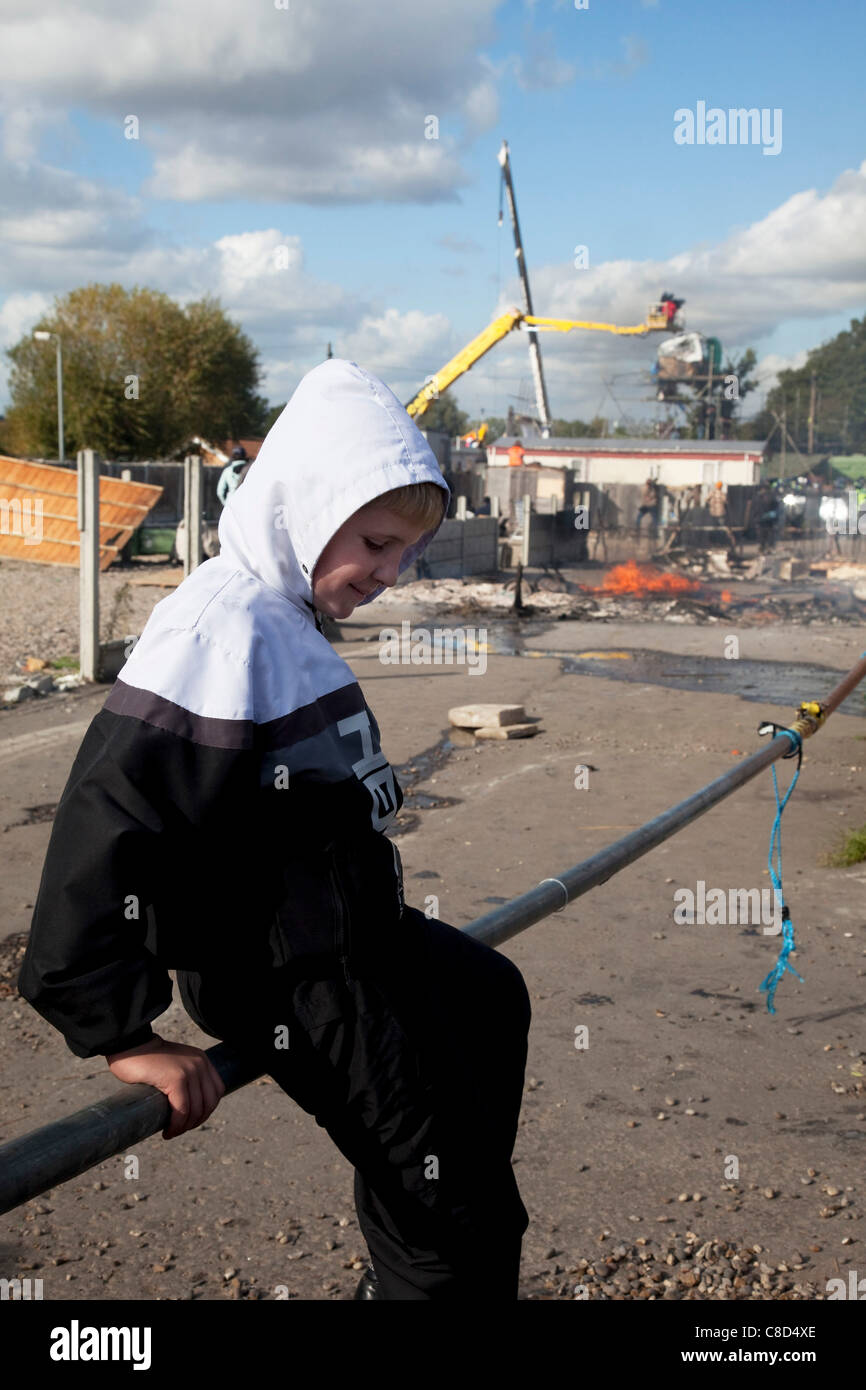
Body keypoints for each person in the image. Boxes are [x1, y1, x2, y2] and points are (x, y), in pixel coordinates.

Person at [17, 358, 531, 1302]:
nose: (390, 572)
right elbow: (110, 820)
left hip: (351, 931)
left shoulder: (288, 617)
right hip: (291, 973)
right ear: (300, 508)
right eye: (375, 543)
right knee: (454, 1216)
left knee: (492, 996)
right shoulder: (219, 629)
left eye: (406, 552)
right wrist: (119, 1031)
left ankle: (426, 1193)